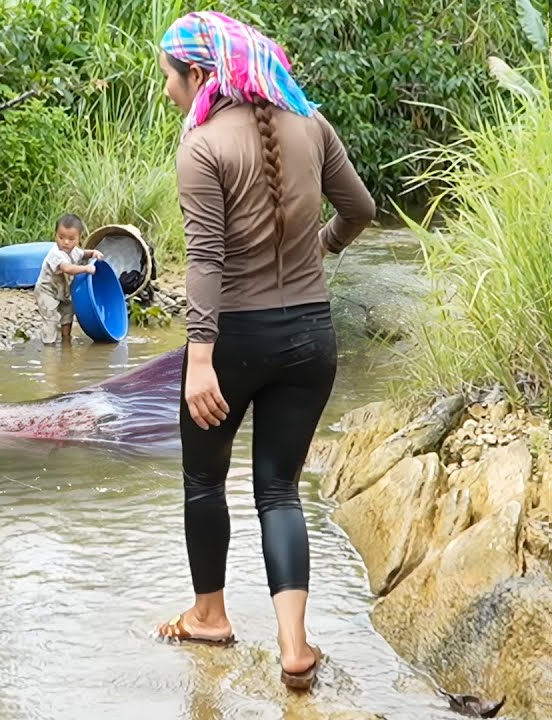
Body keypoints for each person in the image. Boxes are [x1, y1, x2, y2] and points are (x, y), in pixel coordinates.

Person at [151, 11, 376, 691]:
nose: (166, 91)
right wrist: (322, 248)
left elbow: (206, 261)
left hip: (234, 344)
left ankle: (210, 616)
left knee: (203, 482)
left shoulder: (202, 146)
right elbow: (361, 208)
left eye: (169, 77)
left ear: (199, 74)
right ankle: (295, 648)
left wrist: (197, 359)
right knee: (279, 490)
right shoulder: (312, 125)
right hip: (312, 339)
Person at [34, 214, 103, 344]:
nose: (65, 242)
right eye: (61, 237)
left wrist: (93, 253)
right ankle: (49, 345)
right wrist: (86, 268)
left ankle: (66, 339)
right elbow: (67, 268)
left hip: (64, 291)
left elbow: (83, 253)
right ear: (55, 235)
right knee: (50, 318)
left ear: (79, 238)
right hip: (47, 291)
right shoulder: (55, 254)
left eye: (71, 239)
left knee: (68, 312)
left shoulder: (74, 251)